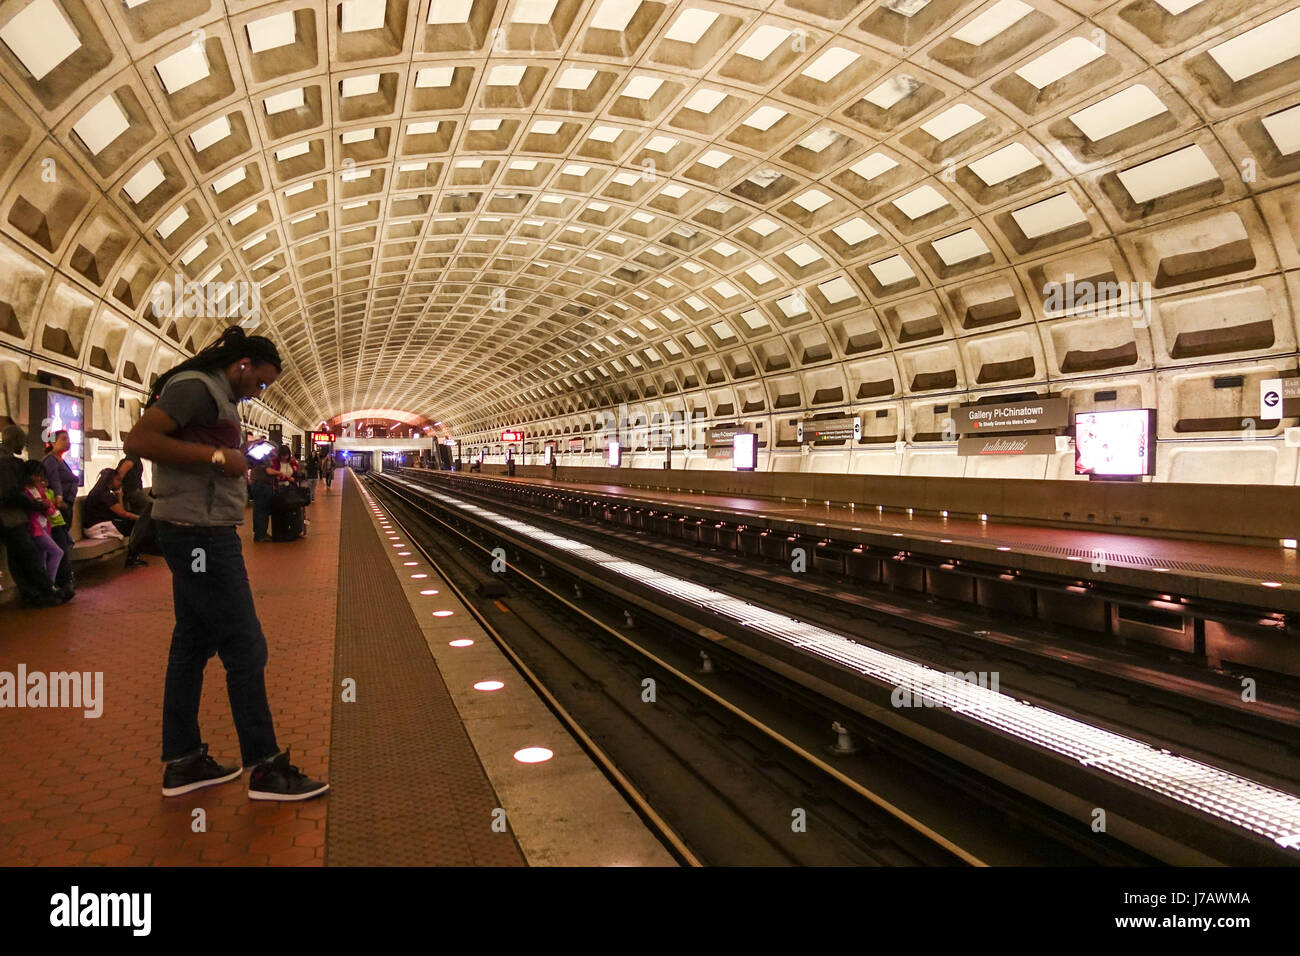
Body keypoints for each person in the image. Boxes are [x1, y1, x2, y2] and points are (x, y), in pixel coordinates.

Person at [124, 325, 328, 801]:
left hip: (197, 526)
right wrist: (219, 457)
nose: (261, 391)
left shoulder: (216, 394)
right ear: (242, 365)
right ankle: (266, 768)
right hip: (200, 534)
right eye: (261, 382)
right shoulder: (195, 388)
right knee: (245, 645)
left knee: (191, 645)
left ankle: (183, 761)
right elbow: (140, 440)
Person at [1, 424, 66, 606]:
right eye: (23, 440)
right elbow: (11, 493)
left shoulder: (6, 460)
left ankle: (31, 594)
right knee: (29, 555)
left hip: (8, 518)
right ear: (16, 440)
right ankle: (45, 592)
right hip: (11, 518)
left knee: (17, 558)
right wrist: (34, 505)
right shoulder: (6, 462)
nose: (24, 444)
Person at [21, 461, 65, 597]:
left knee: (43, 557)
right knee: (57, 552)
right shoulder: (25, 493)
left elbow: (48, 507)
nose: (39, 479)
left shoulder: (38, 490)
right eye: (37, 475)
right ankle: (49, 585)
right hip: (35, 528)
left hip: (44, 526)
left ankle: (44, 588)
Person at [41, 430, 77, 590]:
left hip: (66, 506)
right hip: (60, 507)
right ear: (53, 443)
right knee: (61, 542)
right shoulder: (50, 461)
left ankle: (63, 578)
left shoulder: (60, 460)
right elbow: (54, 481)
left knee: (63, 541)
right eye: (63, 439)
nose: (67, 441)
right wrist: (60, 498)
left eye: (68, 438)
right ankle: (63, 580)